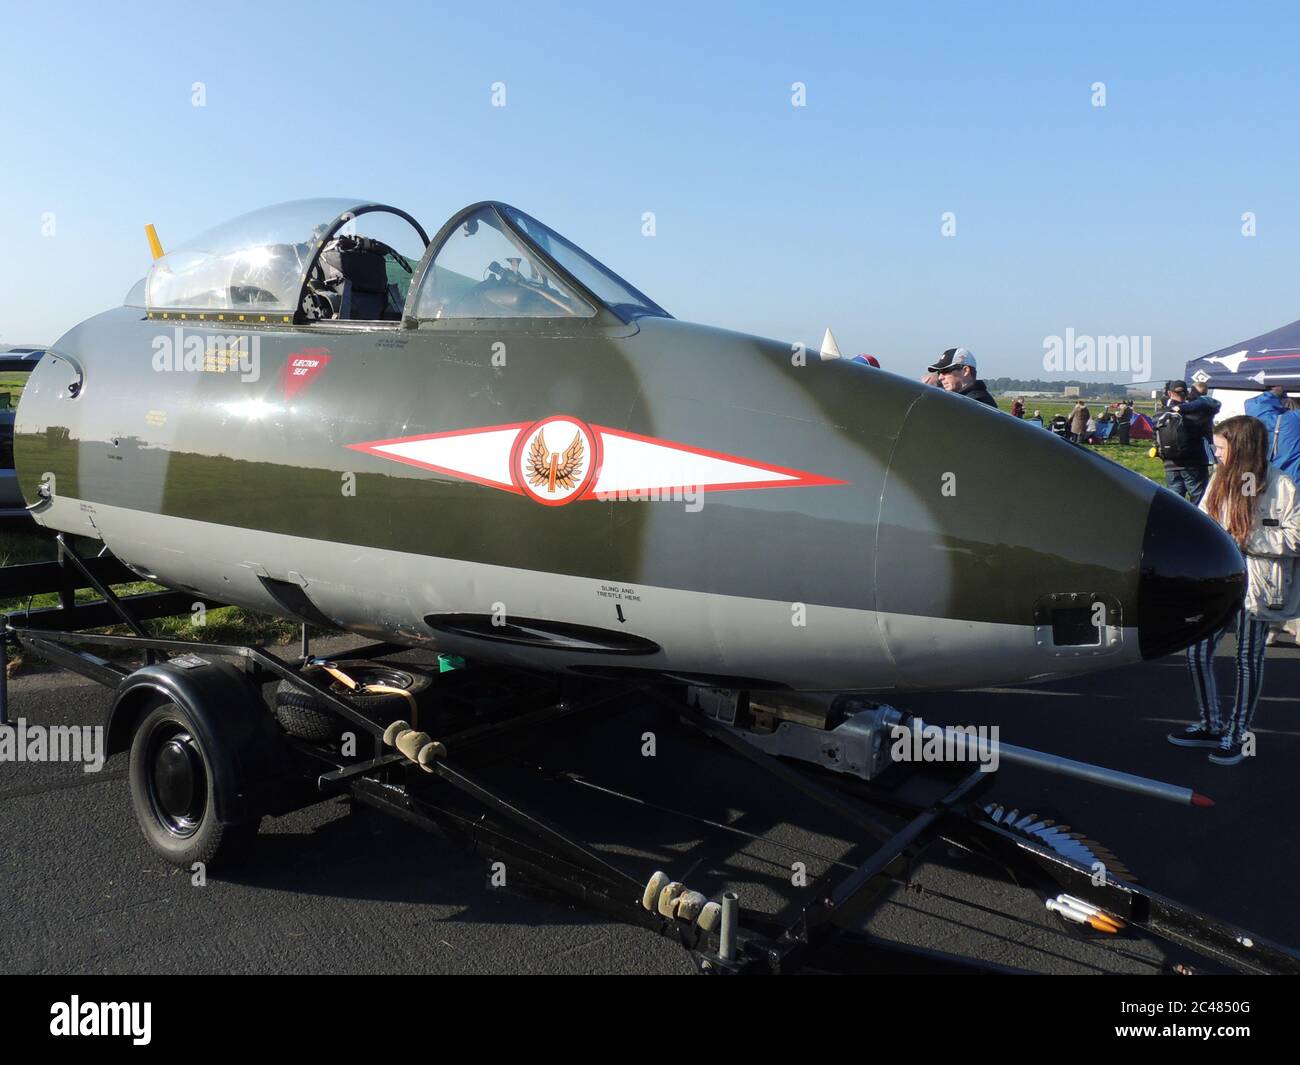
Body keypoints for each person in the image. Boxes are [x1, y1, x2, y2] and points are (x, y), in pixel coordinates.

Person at [1168, 416, 1300, 764]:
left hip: (1260, 585)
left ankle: (1238, 733)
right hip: (1219, 585)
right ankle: (1211, 723)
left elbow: (1296, 537)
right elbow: (1202, 522)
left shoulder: (1282, 485)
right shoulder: (1218, 480)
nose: (1216, 452)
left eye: (1222, 447)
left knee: (1246, 658)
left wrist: (1246, 538)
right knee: (1197, 652)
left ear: (1240, 448)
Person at [1157, 380, 1219, 504]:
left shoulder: (1161, 412)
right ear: (1187, 392)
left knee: (1173, 502)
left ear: (1169, 393)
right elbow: (1215, 405)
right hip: (1193, 463)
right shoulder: (1196, 412)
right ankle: (1195, 524)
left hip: (1170, 463)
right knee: (1198, 501)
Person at [925, 348, 998, 408]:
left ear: (965, 371)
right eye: (939, 372)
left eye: (945, 371)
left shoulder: (977, 404)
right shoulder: (961, 400)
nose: (940, 377)